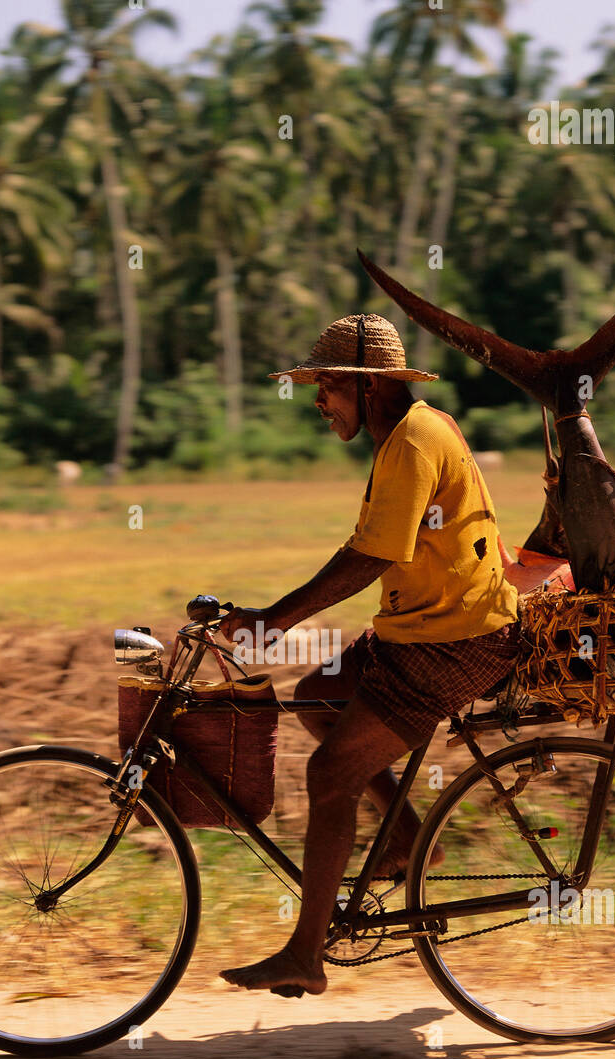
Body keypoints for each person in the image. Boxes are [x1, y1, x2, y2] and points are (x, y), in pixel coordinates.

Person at [217, 313, 520, 997]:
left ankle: (304, 954)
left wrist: (273, 618)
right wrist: (273, 618)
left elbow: (374, 556)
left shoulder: (413, 440)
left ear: (372, 385)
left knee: (330, 775)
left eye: (328, 385)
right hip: (418, 628)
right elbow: (371, 549)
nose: (318, 400)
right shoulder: (402, 437)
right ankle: (411, 836)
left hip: (456, 640)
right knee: (316, 697)